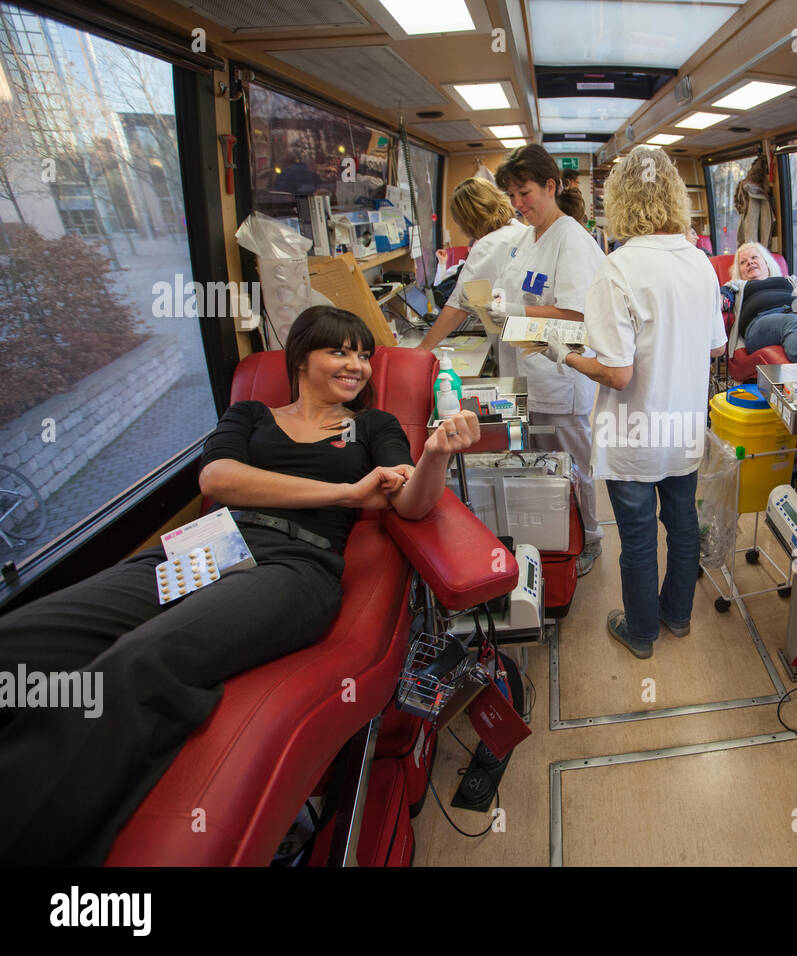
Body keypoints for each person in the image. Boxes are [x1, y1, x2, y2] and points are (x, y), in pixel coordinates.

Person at [0, 306, 480, 864]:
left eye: (364, 355)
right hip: (210, 543)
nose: (357, 365)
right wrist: (344, 494)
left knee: (138, 664)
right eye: (340, 351)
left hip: (296, 563)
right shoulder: (251, 414)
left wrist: (436, 457)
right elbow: (217, 479)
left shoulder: (371, 427)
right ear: (300, 359)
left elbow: (410, 503)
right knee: (21, 640)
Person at [546, 145, 725, 657]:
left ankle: (642, 633)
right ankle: (677, 616)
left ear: (618, 199)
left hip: (634, 433)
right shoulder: (701, 263)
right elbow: (715, 345)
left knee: (640, 537)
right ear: (674, 194)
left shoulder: (618, 268)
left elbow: (618, 374)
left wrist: (566, 354)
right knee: (682, 524)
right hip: (683, 423)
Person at [490, 145, 606, 575]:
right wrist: (497, 303)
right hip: (524, 373)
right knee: (541, 466)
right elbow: (512, 292)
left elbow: (578, 316)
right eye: (513, 197)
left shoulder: (572, 240)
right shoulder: (526, 238)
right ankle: (555, 537)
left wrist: (518, 313)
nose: (519, 204)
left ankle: (590, 537)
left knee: (574, 465)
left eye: (525, 193)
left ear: (550, 186)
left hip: (560, 375)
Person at [419, 177, 528, 350]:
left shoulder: (489, 244)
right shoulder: (522, 230)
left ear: (468, 219)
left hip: (521, 348)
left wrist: (421, 350)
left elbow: (457, 308)